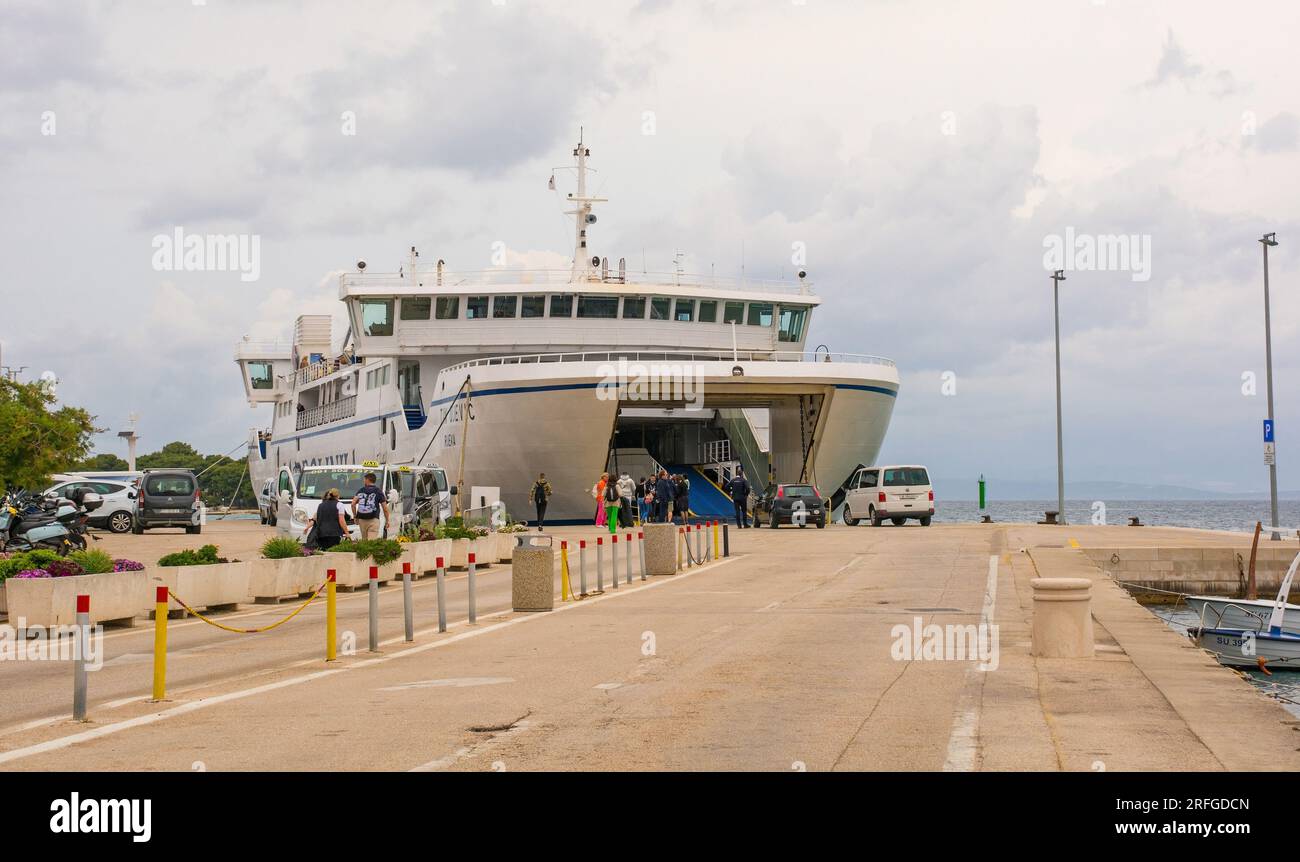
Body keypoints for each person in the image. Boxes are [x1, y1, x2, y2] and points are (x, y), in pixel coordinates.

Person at [351, 472, 388, 540]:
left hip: (362, 519)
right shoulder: (378, 491)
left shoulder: (361, 490)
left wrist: (355, 516)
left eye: (364, 479)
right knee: (371, 542)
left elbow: (353, 504)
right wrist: (387, 521)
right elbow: (385, 508)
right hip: (373, 519)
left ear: (368, 480)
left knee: (364, 541)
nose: (364, 481)